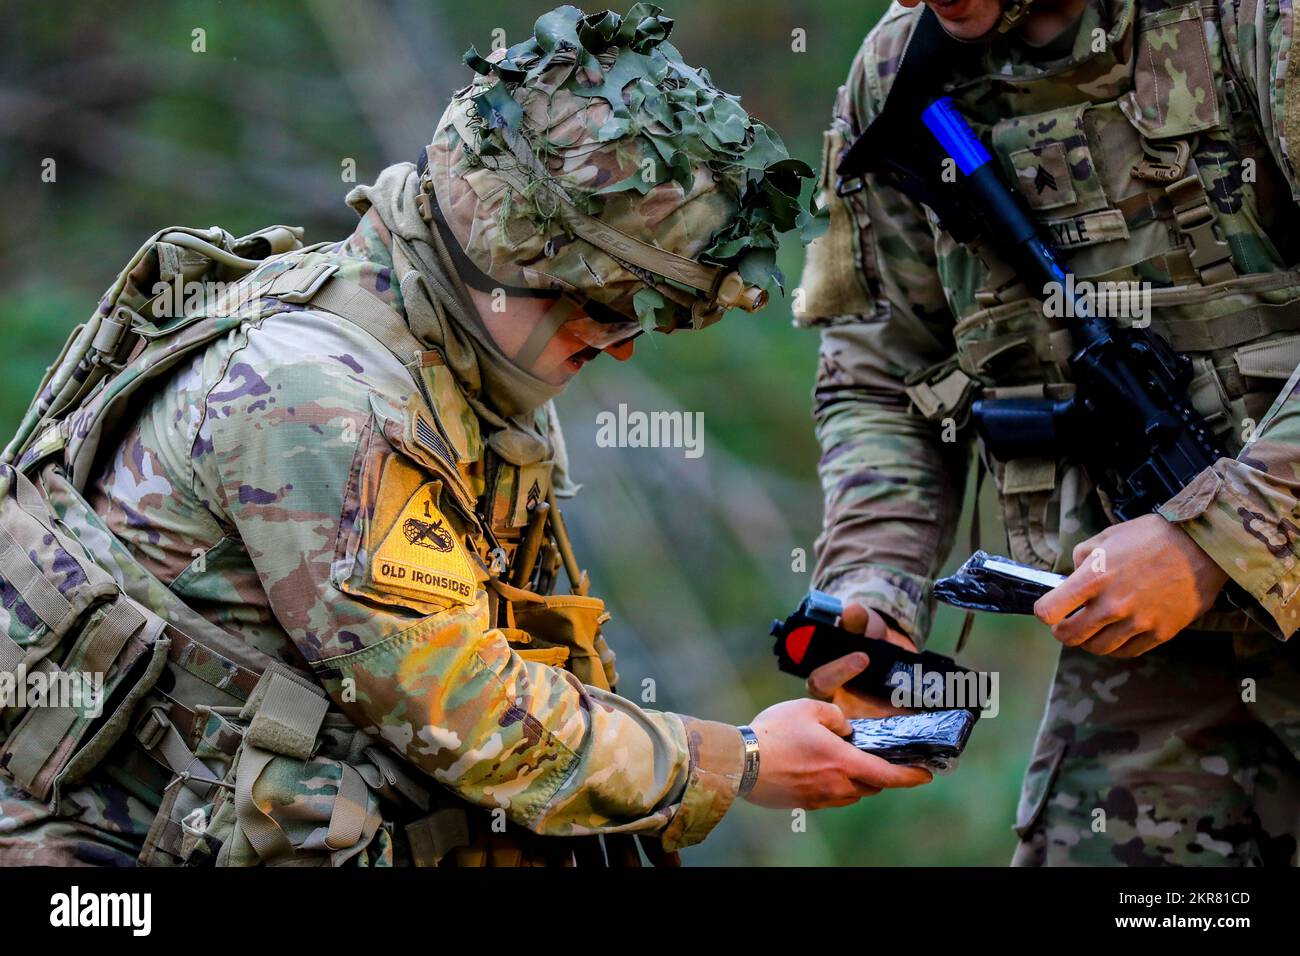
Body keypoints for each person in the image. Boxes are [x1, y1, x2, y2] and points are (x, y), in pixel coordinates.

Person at [0, 4, 930, 868]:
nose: (616, 346)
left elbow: (520, 656)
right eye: (601, 313)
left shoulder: (443, 354)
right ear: (510, 261)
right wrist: (741, 764)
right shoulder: (321, 401)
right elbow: (470, 715)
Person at [799, 0, 1300, 865]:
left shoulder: (1256, 20)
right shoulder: (899, 73)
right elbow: (885, 376)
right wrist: (875, 587)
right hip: (1156, 645)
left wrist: (1215, 538)